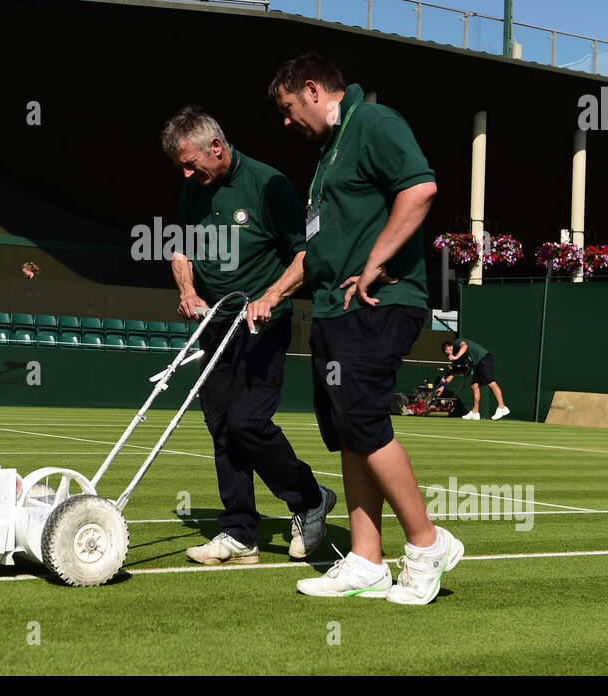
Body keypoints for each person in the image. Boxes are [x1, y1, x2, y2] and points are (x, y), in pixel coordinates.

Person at [268, 53, 463, 605]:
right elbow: (315, 249)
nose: (286, 122)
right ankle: (366, 560)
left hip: (381, 301)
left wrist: (377, 259)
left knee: (365, 419)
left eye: (287, 109)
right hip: (335, 308)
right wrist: (272, 294)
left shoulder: (374, 123)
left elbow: (420, 189)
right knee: (348, 431)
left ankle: (428, 544)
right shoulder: (328, 155)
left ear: (311, 89)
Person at [161, 105, 335, 565]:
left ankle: (310, 498)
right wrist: (188, 291)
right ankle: (240, 533)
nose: (184, 171)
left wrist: (271, 297)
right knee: (219, 424)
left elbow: (305, 256)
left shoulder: (268, 184)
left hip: (263, 320)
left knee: (247, 422)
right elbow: (182, 252)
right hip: (215, 322)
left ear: (216, 146)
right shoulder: (193, 189)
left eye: (189, 161)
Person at [443, 338, 509, 419]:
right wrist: (442, 387)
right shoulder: (459, 355)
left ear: (448, 347)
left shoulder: (457, 343)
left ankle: (502, 407)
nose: (449, 356)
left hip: (484, 359)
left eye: (447, 353)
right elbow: (452, 374)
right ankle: (475, 412)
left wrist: (456, 357)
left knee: (491, 382)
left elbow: (464, 346)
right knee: (474, 386)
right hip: (478, 364)